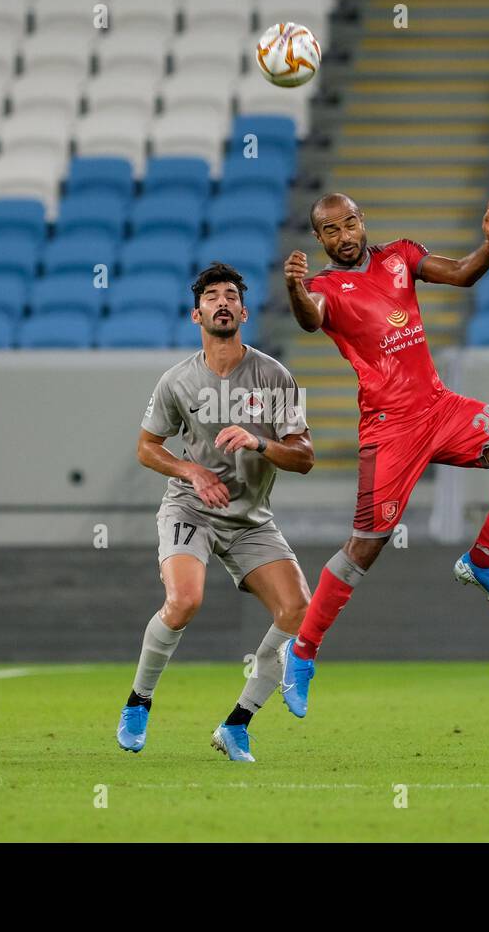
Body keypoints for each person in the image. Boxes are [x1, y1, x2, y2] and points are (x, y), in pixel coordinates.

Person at [278, 192, 489, 716]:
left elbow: (464, 272)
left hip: (440, 406)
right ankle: (304, 651)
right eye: (330, 230)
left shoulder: (400, 256)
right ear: (318, 240)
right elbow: (310, 320)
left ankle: (482, 559)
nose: (343, 236)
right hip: (390, 428)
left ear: (363, 221)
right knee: (364, 548)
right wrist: (293, 287)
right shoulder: (322, 287)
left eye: (349, 223)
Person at [118, 262, 314, 762]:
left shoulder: (275, 376)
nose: (222, 301)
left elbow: (305, 457)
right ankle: (139, 701)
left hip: (250, 518)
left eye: (230, 295)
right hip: (192, 508)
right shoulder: (177, 380)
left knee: (299, 611)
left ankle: (236, 724)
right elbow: (146, 447)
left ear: (244, 311)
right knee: (185, 601)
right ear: (196, 314)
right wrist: (191, 472)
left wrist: (259, 442)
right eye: (212, 296)